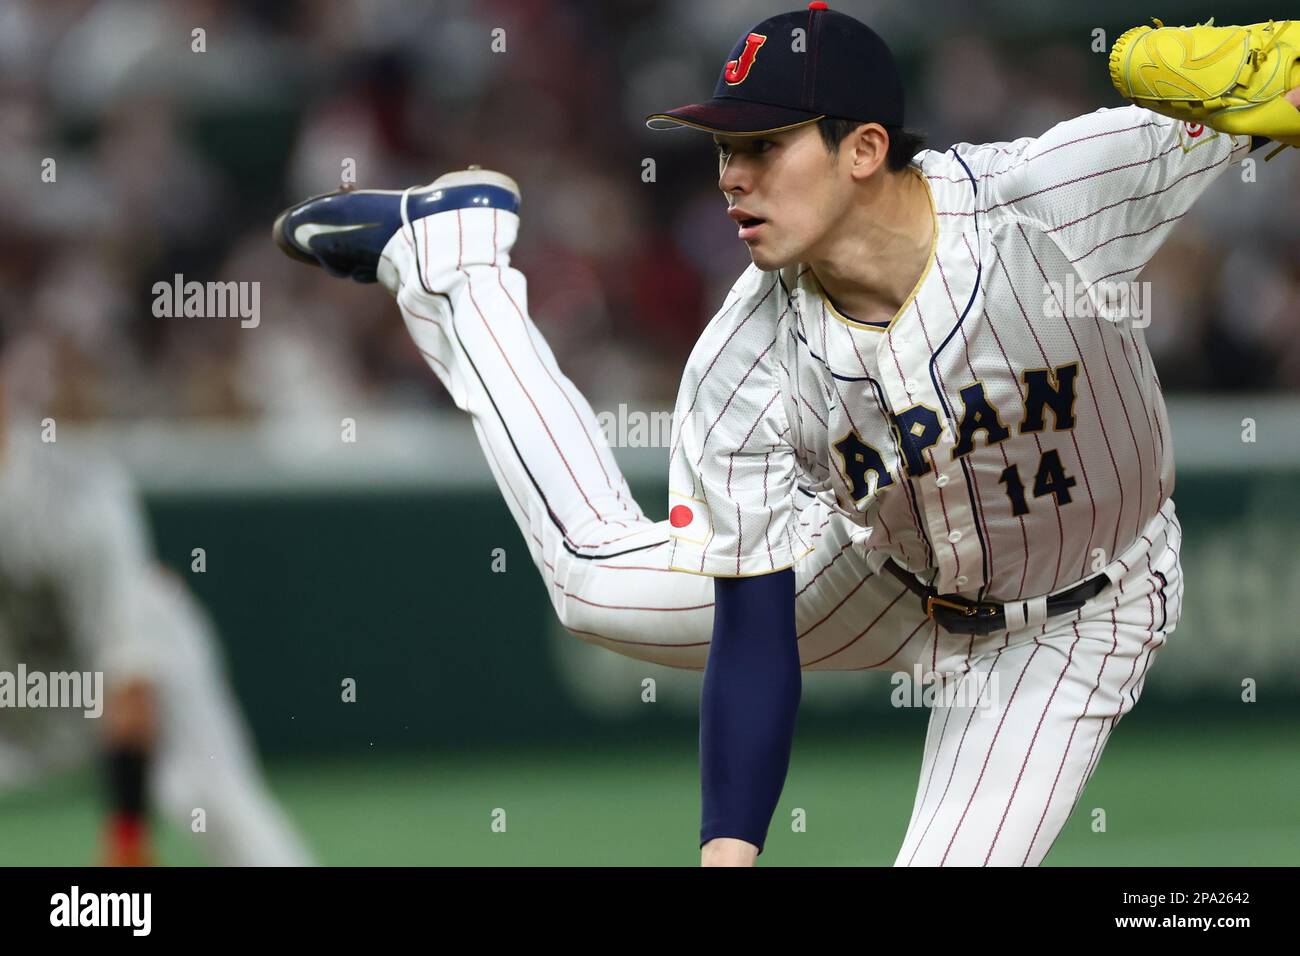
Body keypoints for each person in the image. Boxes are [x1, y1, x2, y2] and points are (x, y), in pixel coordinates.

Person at [272, 10, 1299, 865]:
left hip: (1081, 615)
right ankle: (454, 258)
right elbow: (752, 632)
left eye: (763, 146)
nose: (730, 177)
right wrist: (729, 848)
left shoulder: (1054, 195)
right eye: (724, 148)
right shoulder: (741, 363)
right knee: (589, 578)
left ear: (862, 150)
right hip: (883, 574)